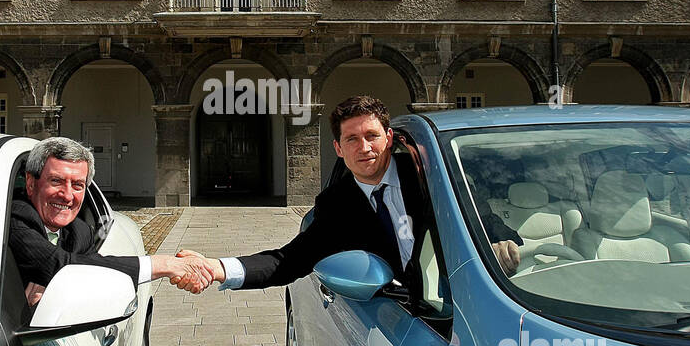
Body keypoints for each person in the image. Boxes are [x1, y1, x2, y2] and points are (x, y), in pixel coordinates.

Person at [176, 95, 523, 292]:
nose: (365, 147)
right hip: (402, 314)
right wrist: (217, 268)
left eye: (372, 135)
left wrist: (501, 246)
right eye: (352, 139)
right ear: (338, 149)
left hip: (464, 300)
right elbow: (288, 261)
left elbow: (489, 226)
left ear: (388, 138)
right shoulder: (335, 205)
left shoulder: (430, 178)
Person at [9, 137, 211, 303]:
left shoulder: (81, 231)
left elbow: (91, 270)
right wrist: (165, 264)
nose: (68, 195)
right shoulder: (14, 218)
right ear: (30, 183)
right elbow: (60, 266)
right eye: (56, 181)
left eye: (78, 185)